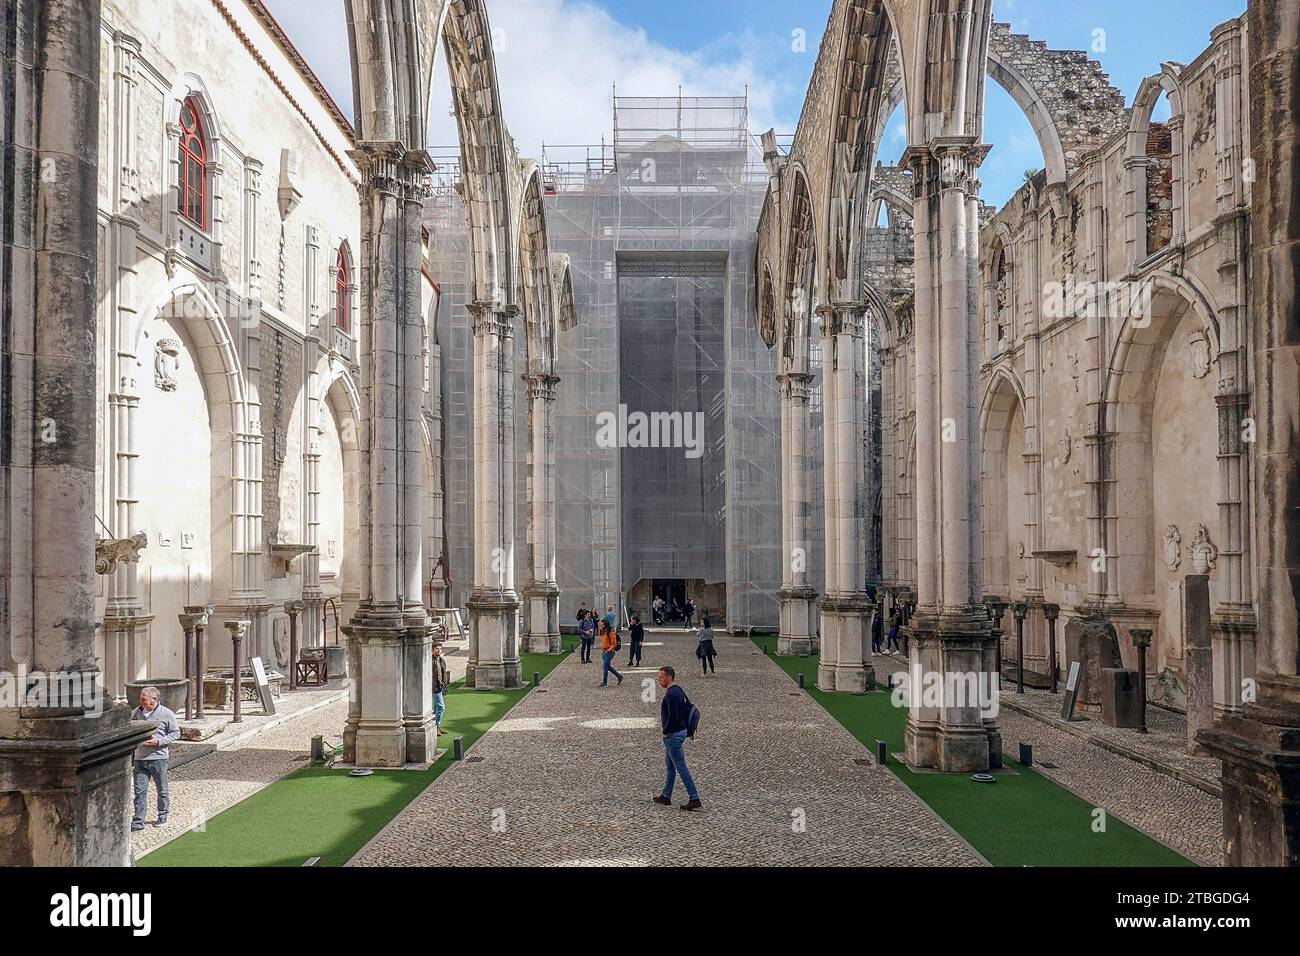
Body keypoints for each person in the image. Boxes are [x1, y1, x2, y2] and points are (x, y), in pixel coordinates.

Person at [130, 685, 181, 832]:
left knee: (162, 790)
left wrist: (158, 741)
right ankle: (138, 822)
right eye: (141, 698)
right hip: (139, 759)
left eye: (144, 699)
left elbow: (175, 733)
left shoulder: (167, 714)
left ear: (154, 700)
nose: (141, 701)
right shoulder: (136, 713)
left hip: (158, 758)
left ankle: (163, 815)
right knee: (139, 792)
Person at [653, 666, 701, 811]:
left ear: (669, 677)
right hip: (679, 731)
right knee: (670, 765)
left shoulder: (671, 694)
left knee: (680, 765)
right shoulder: (678, 690)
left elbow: (673, 717)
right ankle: (666, 795)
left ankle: (694, 798)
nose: (659, 679)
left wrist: (665, 731)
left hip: (673, 735)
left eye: (661, 677)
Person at [432, 640, 451, 735]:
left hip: (440, 686)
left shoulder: (441, 660)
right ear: (432, 650)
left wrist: (444, 685)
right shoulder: (431, 660)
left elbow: (443, 674)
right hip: (434, 686)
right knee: (441, 707)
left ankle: (437, 726)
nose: (438, 650)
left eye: (440, 649)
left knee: (436, 707)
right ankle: (436, 726)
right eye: (436, 649)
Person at [599, 620, 623, 687]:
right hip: (605, 651)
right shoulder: (605, 632)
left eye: (602, 624)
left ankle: (605, 682)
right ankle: (619, 676)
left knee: (605, 667)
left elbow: (614, 644)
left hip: (609, 652)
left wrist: (608, 650)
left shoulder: (611, 632)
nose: (601, 625)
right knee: (608, 667)